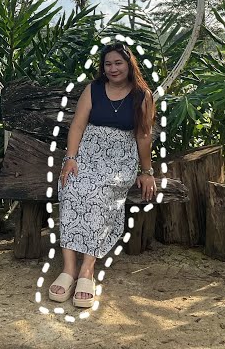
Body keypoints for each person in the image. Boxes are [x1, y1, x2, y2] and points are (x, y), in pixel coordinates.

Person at [51, 42, 156, 309]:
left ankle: (88, 268)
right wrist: (70, 159)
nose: (113, 69)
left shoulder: (142, 96)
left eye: (118, 63)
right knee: (72, 186)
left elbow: (144, 135)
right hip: (88, 152)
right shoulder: (93, 89)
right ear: (103, 67)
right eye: (108, 64)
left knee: (99, 193)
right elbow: (77, 125)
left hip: (120, 158)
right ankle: (68, 268)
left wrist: (146, 172)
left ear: (129, 65)